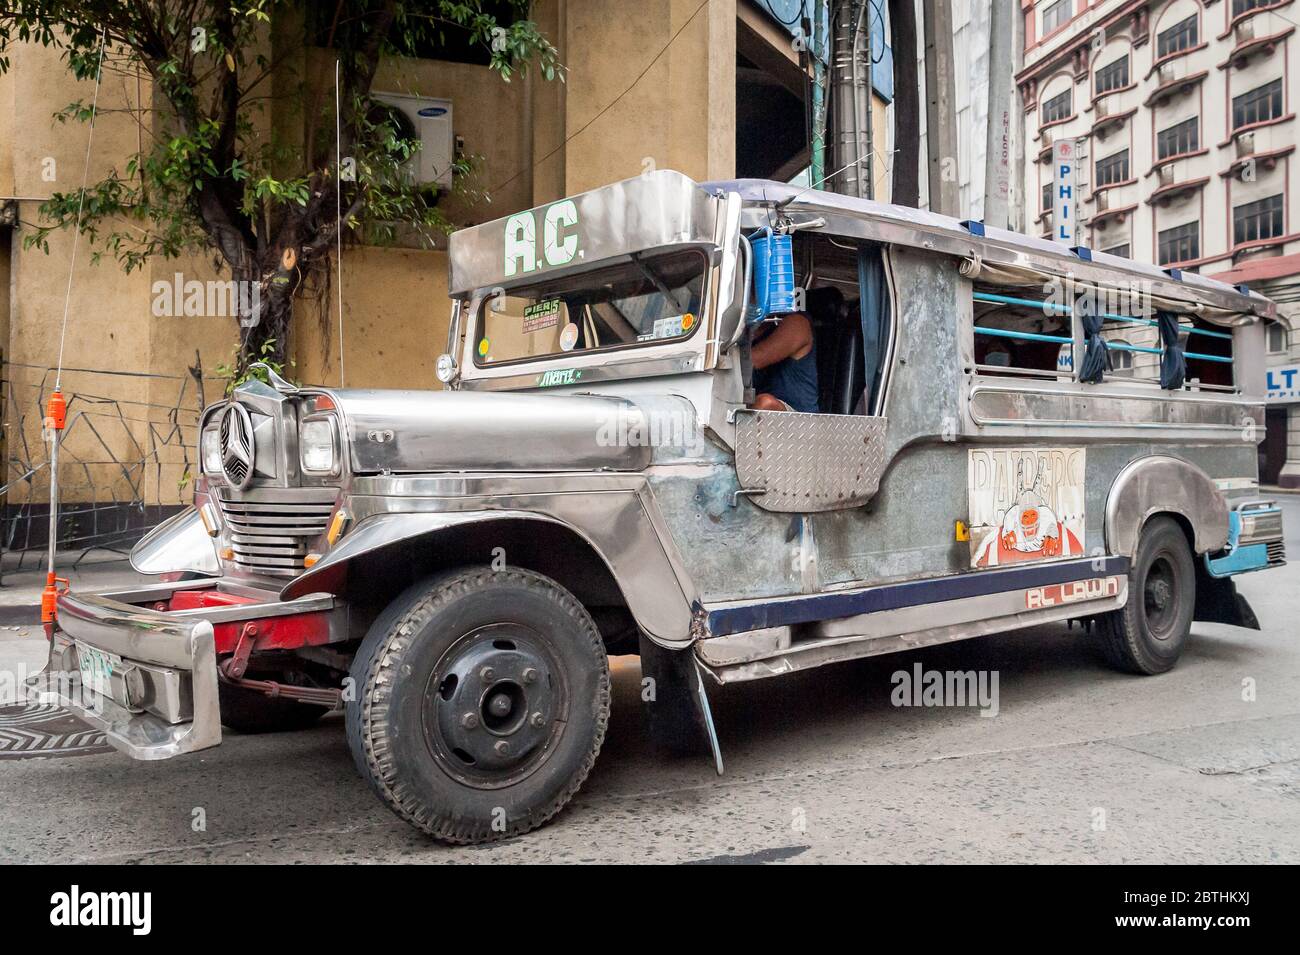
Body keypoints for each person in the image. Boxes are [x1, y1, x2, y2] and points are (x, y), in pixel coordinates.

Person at [751, 311, 818, 412]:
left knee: (765, 404)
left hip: (798, 418)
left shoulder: (797, 323)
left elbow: (754, 360)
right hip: (752, 406)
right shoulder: (753, 329)